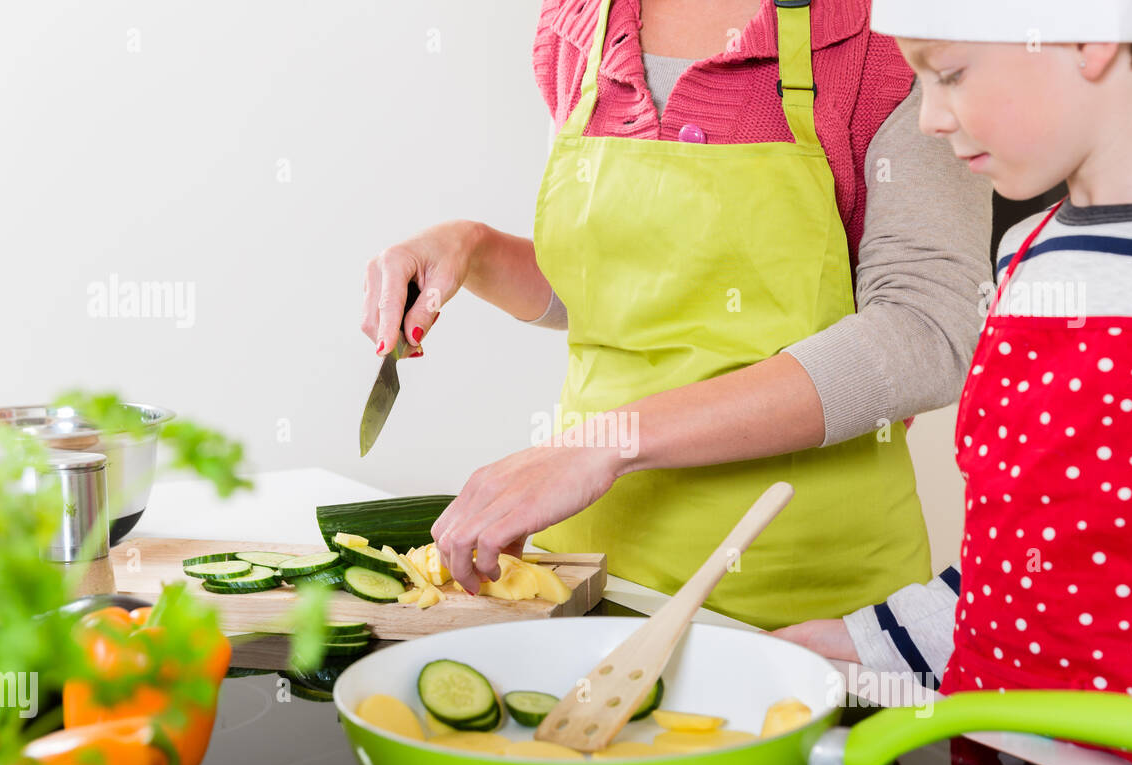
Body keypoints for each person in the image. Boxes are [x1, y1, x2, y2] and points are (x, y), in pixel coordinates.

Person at [362, 0, 992, 630]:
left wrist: (606, 444)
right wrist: (472, 248)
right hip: (591, 584)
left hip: (807, 608)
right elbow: (612, 288)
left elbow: (925, 330)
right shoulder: (576, 25)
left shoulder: (888, 33)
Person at [777, 0, 1132, 765]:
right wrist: (856, 645)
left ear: (1088, 35)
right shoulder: (1027, 256)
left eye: (948, 73)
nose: (928, 115)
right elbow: (1022, 572)